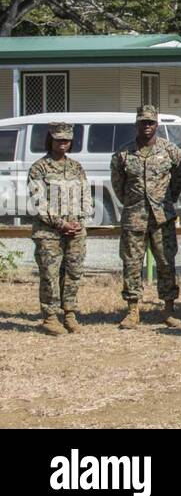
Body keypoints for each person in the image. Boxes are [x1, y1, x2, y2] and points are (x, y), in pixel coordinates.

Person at [111, 104, 181, 329]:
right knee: (132, 264)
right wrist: (133, 204)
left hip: (163, 217)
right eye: (143, 122)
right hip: (134, 217)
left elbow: (179, 179)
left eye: (151, 122)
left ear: (157, 124)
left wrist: (166, 200)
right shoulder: (123, 153)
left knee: (166, 262)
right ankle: (133, 310)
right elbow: (118, 186)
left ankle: (169, 309)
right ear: (137, 123)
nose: (147, 126)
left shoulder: (171, 151)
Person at [28, 121, 90, 335]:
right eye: (58, 139)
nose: (62, 143)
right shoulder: (39, 168)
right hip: (49, 233)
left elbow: (85, 196)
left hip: (75, 231)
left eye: (66, 140)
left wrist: (80, 221)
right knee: (50, 275)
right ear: (51, 140)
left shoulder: (76, 167)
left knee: (73, 273)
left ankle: (70, 314)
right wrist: (61, 224)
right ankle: (50, 317)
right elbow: (38, 203)